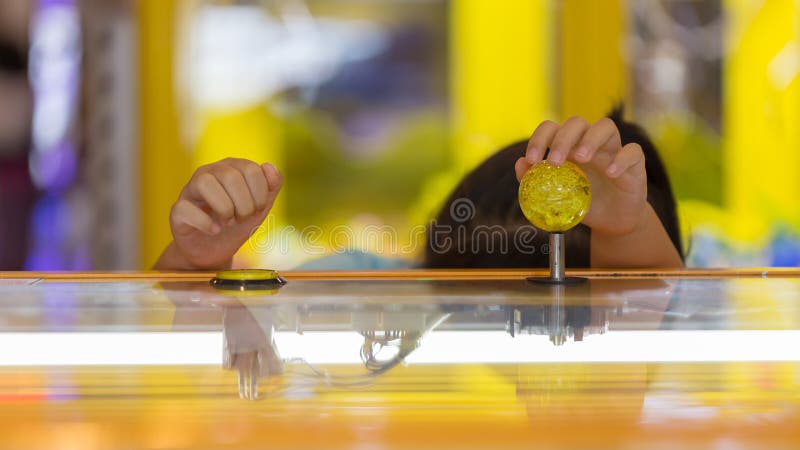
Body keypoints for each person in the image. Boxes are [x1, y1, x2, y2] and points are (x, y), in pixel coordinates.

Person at [154, 107, 684, 271]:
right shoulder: (367, 287)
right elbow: (182, 360)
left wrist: (628, 231)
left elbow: (664, 317)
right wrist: (195, 264)